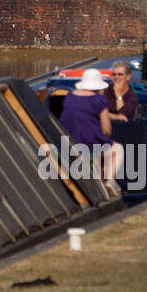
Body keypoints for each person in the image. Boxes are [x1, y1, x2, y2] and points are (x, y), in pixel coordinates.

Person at [59, 67, 123, 196]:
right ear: (98, 86)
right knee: (117, 148)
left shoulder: (69, 97)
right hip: (88, 143)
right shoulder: (99, 101)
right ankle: (110, 181)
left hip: (67, 141)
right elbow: (106, 130)